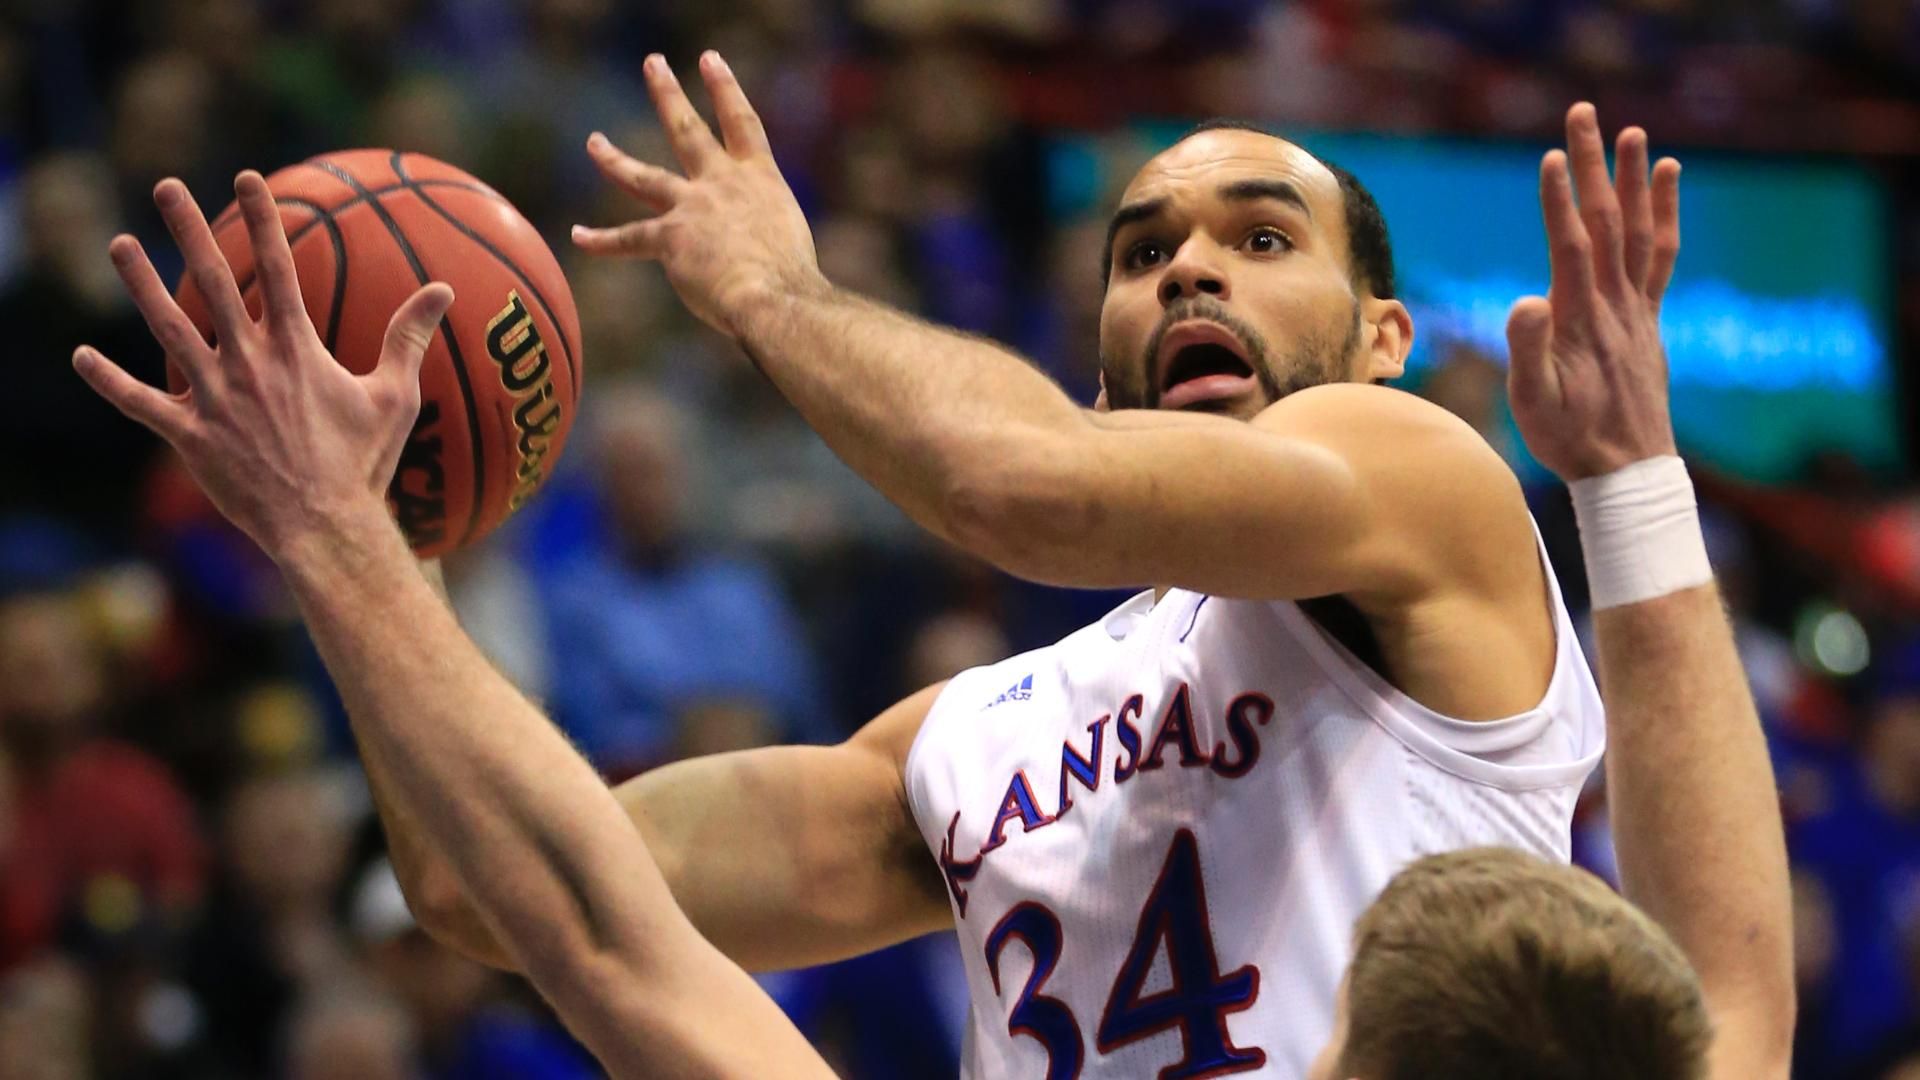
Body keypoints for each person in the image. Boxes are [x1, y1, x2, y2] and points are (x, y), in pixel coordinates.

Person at [67, 53, 1790, 1078]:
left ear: (1383, 334)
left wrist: (765, 292)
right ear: (1103, 351)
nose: (1191, 269)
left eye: (1261, 239)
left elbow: (1014, 486)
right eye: (1144, 252)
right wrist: (369, 524)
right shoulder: (971, 740)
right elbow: (508, 893)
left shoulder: (1417, 483)